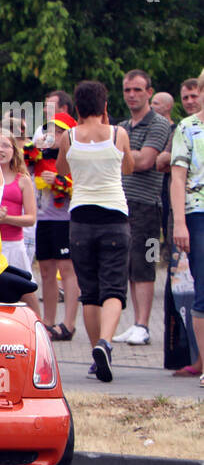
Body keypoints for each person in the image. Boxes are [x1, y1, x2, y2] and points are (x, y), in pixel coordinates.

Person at [58, 80, 133, 383]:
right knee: (113, 288)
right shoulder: (118, 134)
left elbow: (63, 169)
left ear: (76, 108)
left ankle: (95, 353)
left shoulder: (69, 136)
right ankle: (106, 342)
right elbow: (127, 167)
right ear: (104, 107)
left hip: (81, 219)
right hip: (114, 216)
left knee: (89, 292)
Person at [113, 69, 172, 346]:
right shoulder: (124, 125)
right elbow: (126, 161)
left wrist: (121, 153)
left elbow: (146, 160)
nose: (132, 95)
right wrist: (128, 156)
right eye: (128, 90)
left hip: (148, 204)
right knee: (130, 266)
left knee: (146, 262)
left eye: (137, 90)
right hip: (123, 203)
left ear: (149, 92)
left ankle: (144, 324)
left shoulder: (158, 124)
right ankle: (136, 322)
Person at [33, 91, 81, 341]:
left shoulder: (75, 155)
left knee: (67, 268)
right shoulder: (39, 155)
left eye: (60, 131)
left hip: (66, 218)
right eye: (51, 129)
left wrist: (60, 181)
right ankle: (48, 322)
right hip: (43, 218)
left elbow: (81, 185)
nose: (54, 135)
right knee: (46, 270)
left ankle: (68, 323)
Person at [170, 102, 204, 386]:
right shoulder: (188, 127)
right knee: (203, 290)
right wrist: (179, 222)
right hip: (198, 214)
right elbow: (178, 178)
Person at [0, 129, 41, 317]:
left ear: (13, 150)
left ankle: (39, 327)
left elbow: (31, 218)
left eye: (5, 145)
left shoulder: (23, 180)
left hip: (14, 245)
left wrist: (7, 219)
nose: (0, 150)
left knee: (26, 290)